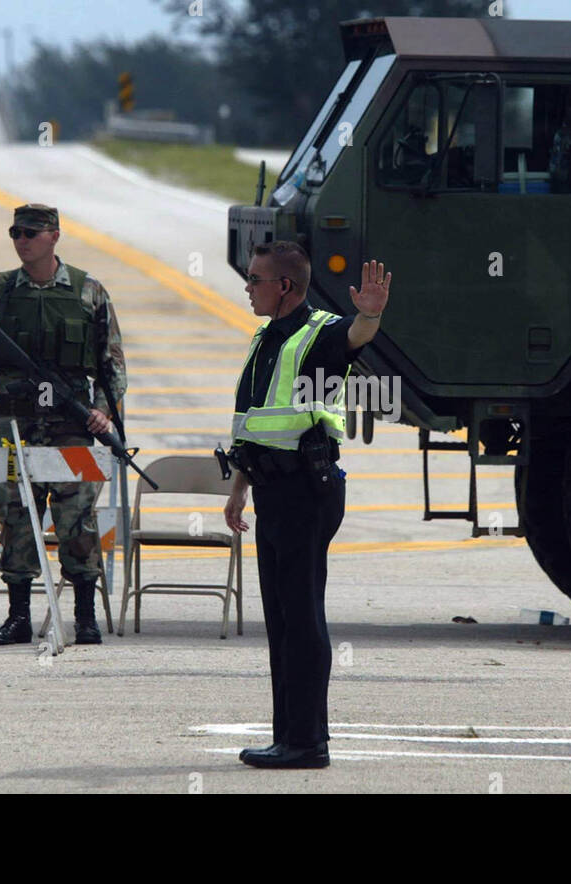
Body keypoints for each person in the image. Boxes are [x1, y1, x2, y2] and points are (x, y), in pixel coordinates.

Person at [223, 241, 391, 769]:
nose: (247, 287)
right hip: (272, 489)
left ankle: (308, 742)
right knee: (281, 617)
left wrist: (370, 314)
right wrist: (240, 486)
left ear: (284, 287)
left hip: (305, 490)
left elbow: (353, 338)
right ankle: (288, 736)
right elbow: (256, 420)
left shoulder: (318, 334)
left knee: (301, 614)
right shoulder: (266, 335)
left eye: (254, 279)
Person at [0, 203, 126, 646]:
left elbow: (112, 364)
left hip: (69, 424)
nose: (21, 240)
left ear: (54, 236)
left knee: (77, 520)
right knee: (16, 515)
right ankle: (18, 617)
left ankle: (84, 617)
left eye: (31, 232)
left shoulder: (89, 291)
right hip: (14, 422)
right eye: (16, 232)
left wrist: (104, 411)